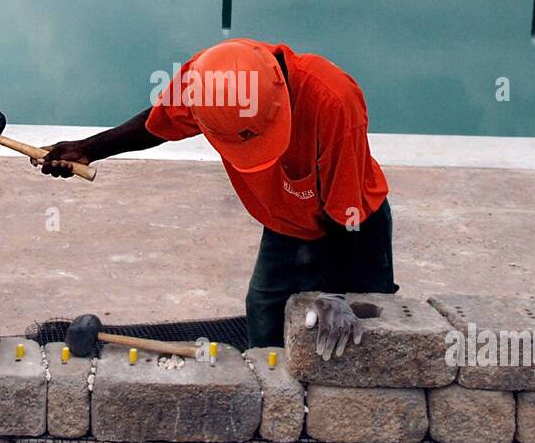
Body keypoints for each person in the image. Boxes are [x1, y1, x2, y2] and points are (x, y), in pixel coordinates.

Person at [36, 38, 397, 357]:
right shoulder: (210, 81)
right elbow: (158, 124)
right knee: (264, 313)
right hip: (285, 223)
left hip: (353, 228)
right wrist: (88, 149)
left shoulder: (333, 101)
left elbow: (346, 212)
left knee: (354, 338)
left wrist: (335, 293)